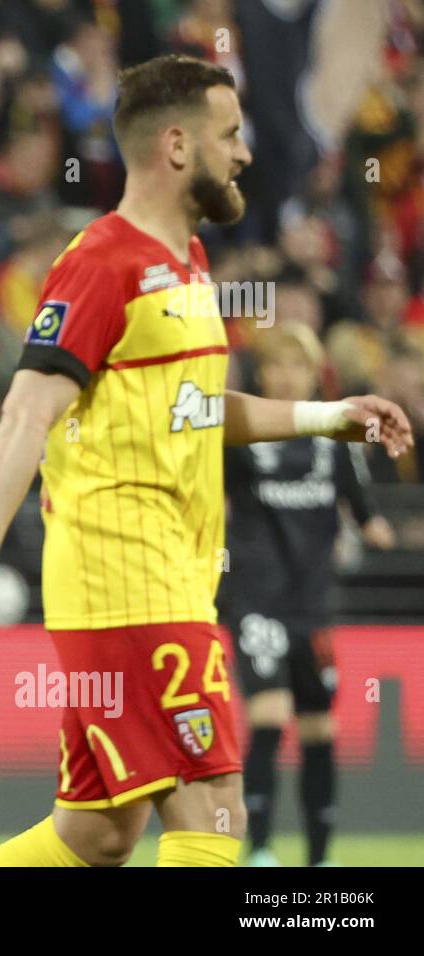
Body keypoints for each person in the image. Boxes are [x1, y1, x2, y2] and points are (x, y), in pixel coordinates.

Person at [0, 54, 414, 868]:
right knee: (215, 812)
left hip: (162, 576)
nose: (243, 154)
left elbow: (196, 410)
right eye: (229, 135)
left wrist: (325, 416)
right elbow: (27, 410)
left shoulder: (190, 267)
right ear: (175, 145)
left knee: (97, 833)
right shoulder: (103, 263)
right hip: (127, 575)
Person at [219, 323, 394, 867]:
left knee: (320, 729)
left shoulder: (335, 444)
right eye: (276, 365)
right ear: (262, 373)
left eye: (298, 365)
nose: (287, 375)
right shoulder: (240, 440)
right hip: (256, 604)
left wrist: (378, 532)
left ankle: (320, 858)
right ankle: (262, 850)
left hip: (314, 608)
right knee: (269, 717)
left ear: (314, 372)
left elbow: (369, 521)